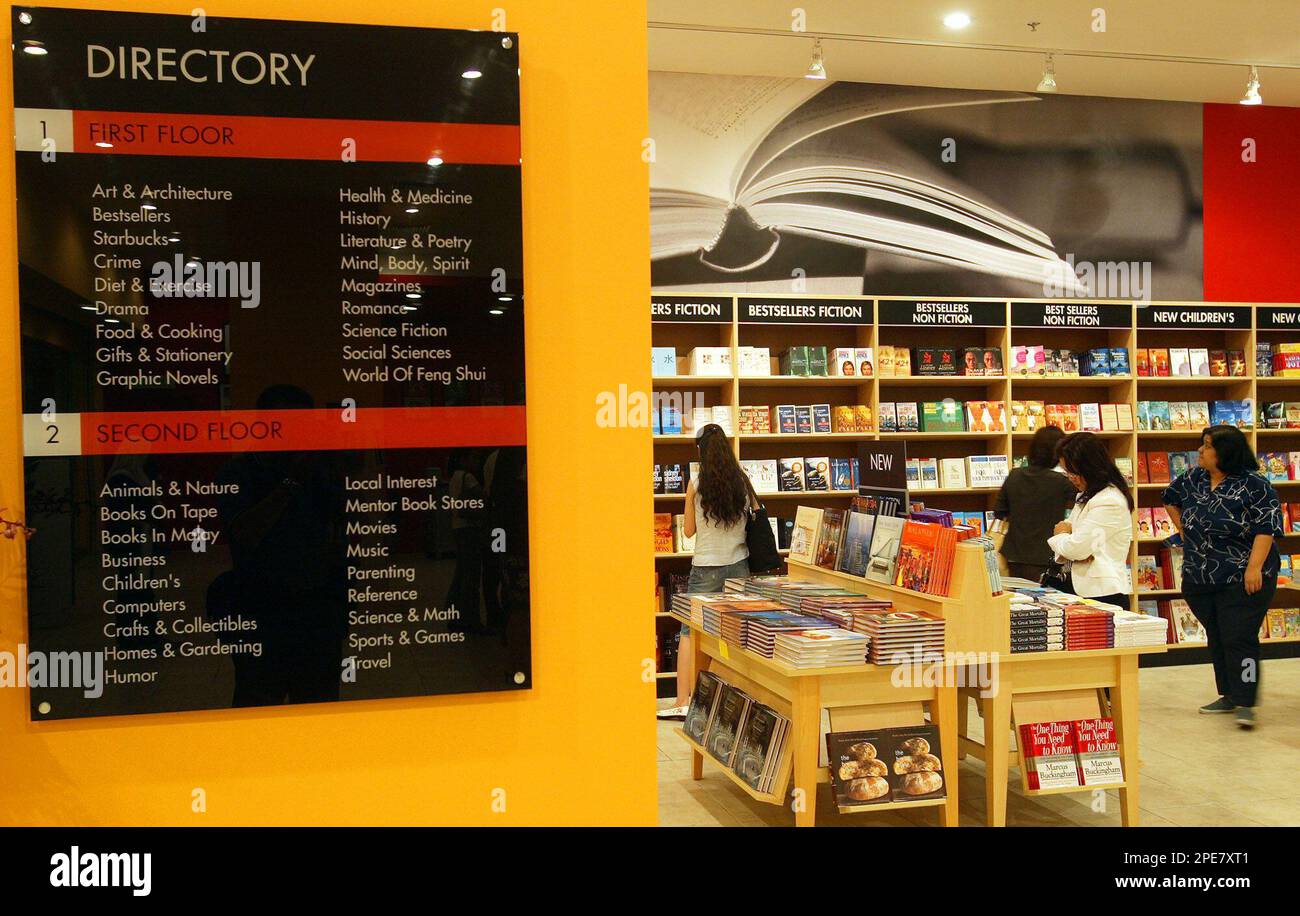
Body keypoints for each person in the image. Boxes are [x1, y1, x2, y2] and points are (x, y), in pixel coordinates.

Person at [1163, 425, 1283, 728]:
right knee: (1217, 636)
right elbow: (1169, 497)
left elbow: (1265, 528)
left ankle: (1246, 701)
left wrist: (1253, 568)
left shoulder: (1254, 484)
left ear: (1225, 452)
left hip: (1243, 576)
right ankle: (1228, 694)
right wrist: (1182, 528)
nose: (1200, 451)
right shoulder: (1195, 477)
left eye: (1207, 446)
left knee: (1239, 638)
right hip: (1199, 575)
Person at [663, 423, 756, 717]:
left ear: (700, 450)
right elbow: (756, 521)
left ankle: (682, 701)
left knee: (689, 633)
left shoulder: (695, 483)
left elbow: (688, 531)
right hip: (739, 566)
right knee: (737, 633)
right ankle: (737, 701)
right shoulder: (743, 481)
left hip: (704, 567)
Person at [1048, 432, 1134, 610]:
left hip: (1103, 593)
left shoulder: (1109, 501)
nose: (1071, 478)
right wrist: (1073, 544)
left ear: (1090, 467)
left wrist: (1060, 535)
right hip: (1082, 590)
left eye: (1074, 472)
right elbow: (1075, 546)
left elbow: (1075, 547)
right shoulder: (1087, 496)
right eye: (1067, 472)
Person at [995, 425, 1075, 580]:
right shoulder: (1061, 482)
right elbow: (1081, 501)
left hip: (1014, 554)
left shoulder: (1014, 475)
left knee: (1017, 601)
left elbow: (999, 511)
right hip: (1045, 555)